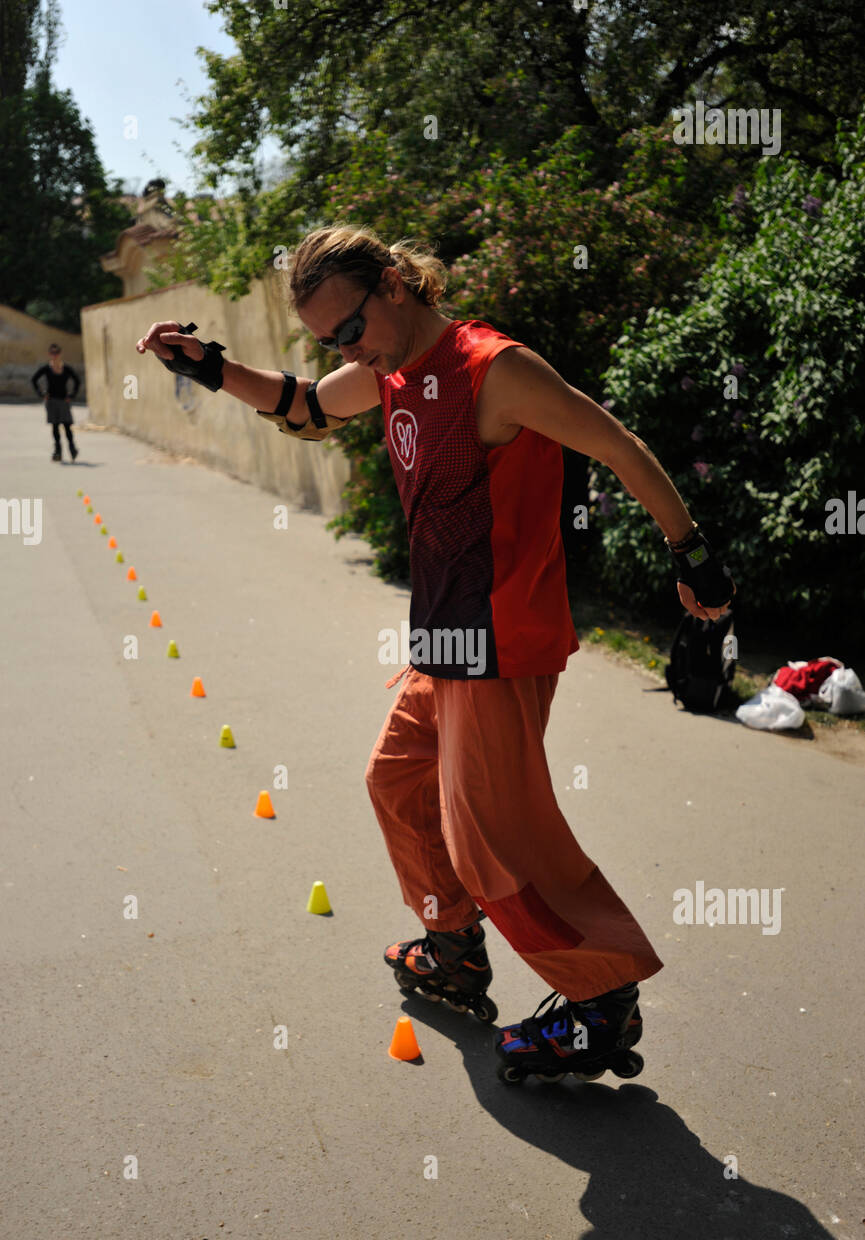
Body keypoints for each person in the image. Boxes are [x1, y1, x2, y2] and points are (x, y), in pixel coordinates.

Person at [135, 223, 736, 1085]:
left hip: (501, 636)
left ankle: (601, 1001)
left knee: (494, 835)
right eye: (331, 341)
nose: (349, 352)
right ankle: (452, 946)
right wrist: (209, 367)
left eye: (351, 330)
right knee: (396, 780)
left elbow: (616, 445)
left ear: (394, 284)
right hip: (445, 636)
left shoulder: (494, 369)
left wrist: (690, 551)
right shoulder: (392, 371)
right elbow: (306, 406)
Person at [32, 344, 80, 462]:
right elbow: (34, 380)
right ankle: (57, 450)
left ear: (60, 354)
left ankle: (72, 448)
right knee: (55, 426)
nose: (55, 355)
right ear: (49, 354)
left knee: (67, 426)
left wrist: (72, 395)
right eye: (52, 353)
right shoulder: (46, 369)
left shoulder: (66, 368)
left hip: (64, 400)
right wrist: (42, 394)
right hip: (52, 401)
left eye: (57, 353)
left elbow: (77, 381)